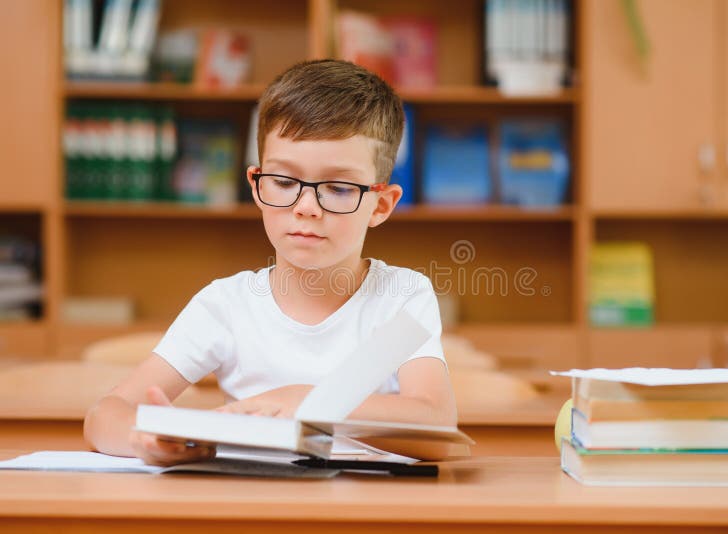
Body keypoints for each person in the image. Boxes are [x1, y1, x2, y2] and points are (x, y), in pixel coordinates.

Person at [83, 59, 457, 465]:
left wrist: (308, 403)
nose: (307, 207)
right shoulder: (226, 305)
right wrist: (146, 440)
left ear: (381, 205)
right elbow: (105, 416)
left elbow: (437, 425)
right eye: (284, 182)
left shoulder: (401, 296)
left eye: (338, 188)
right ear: (257, 186)